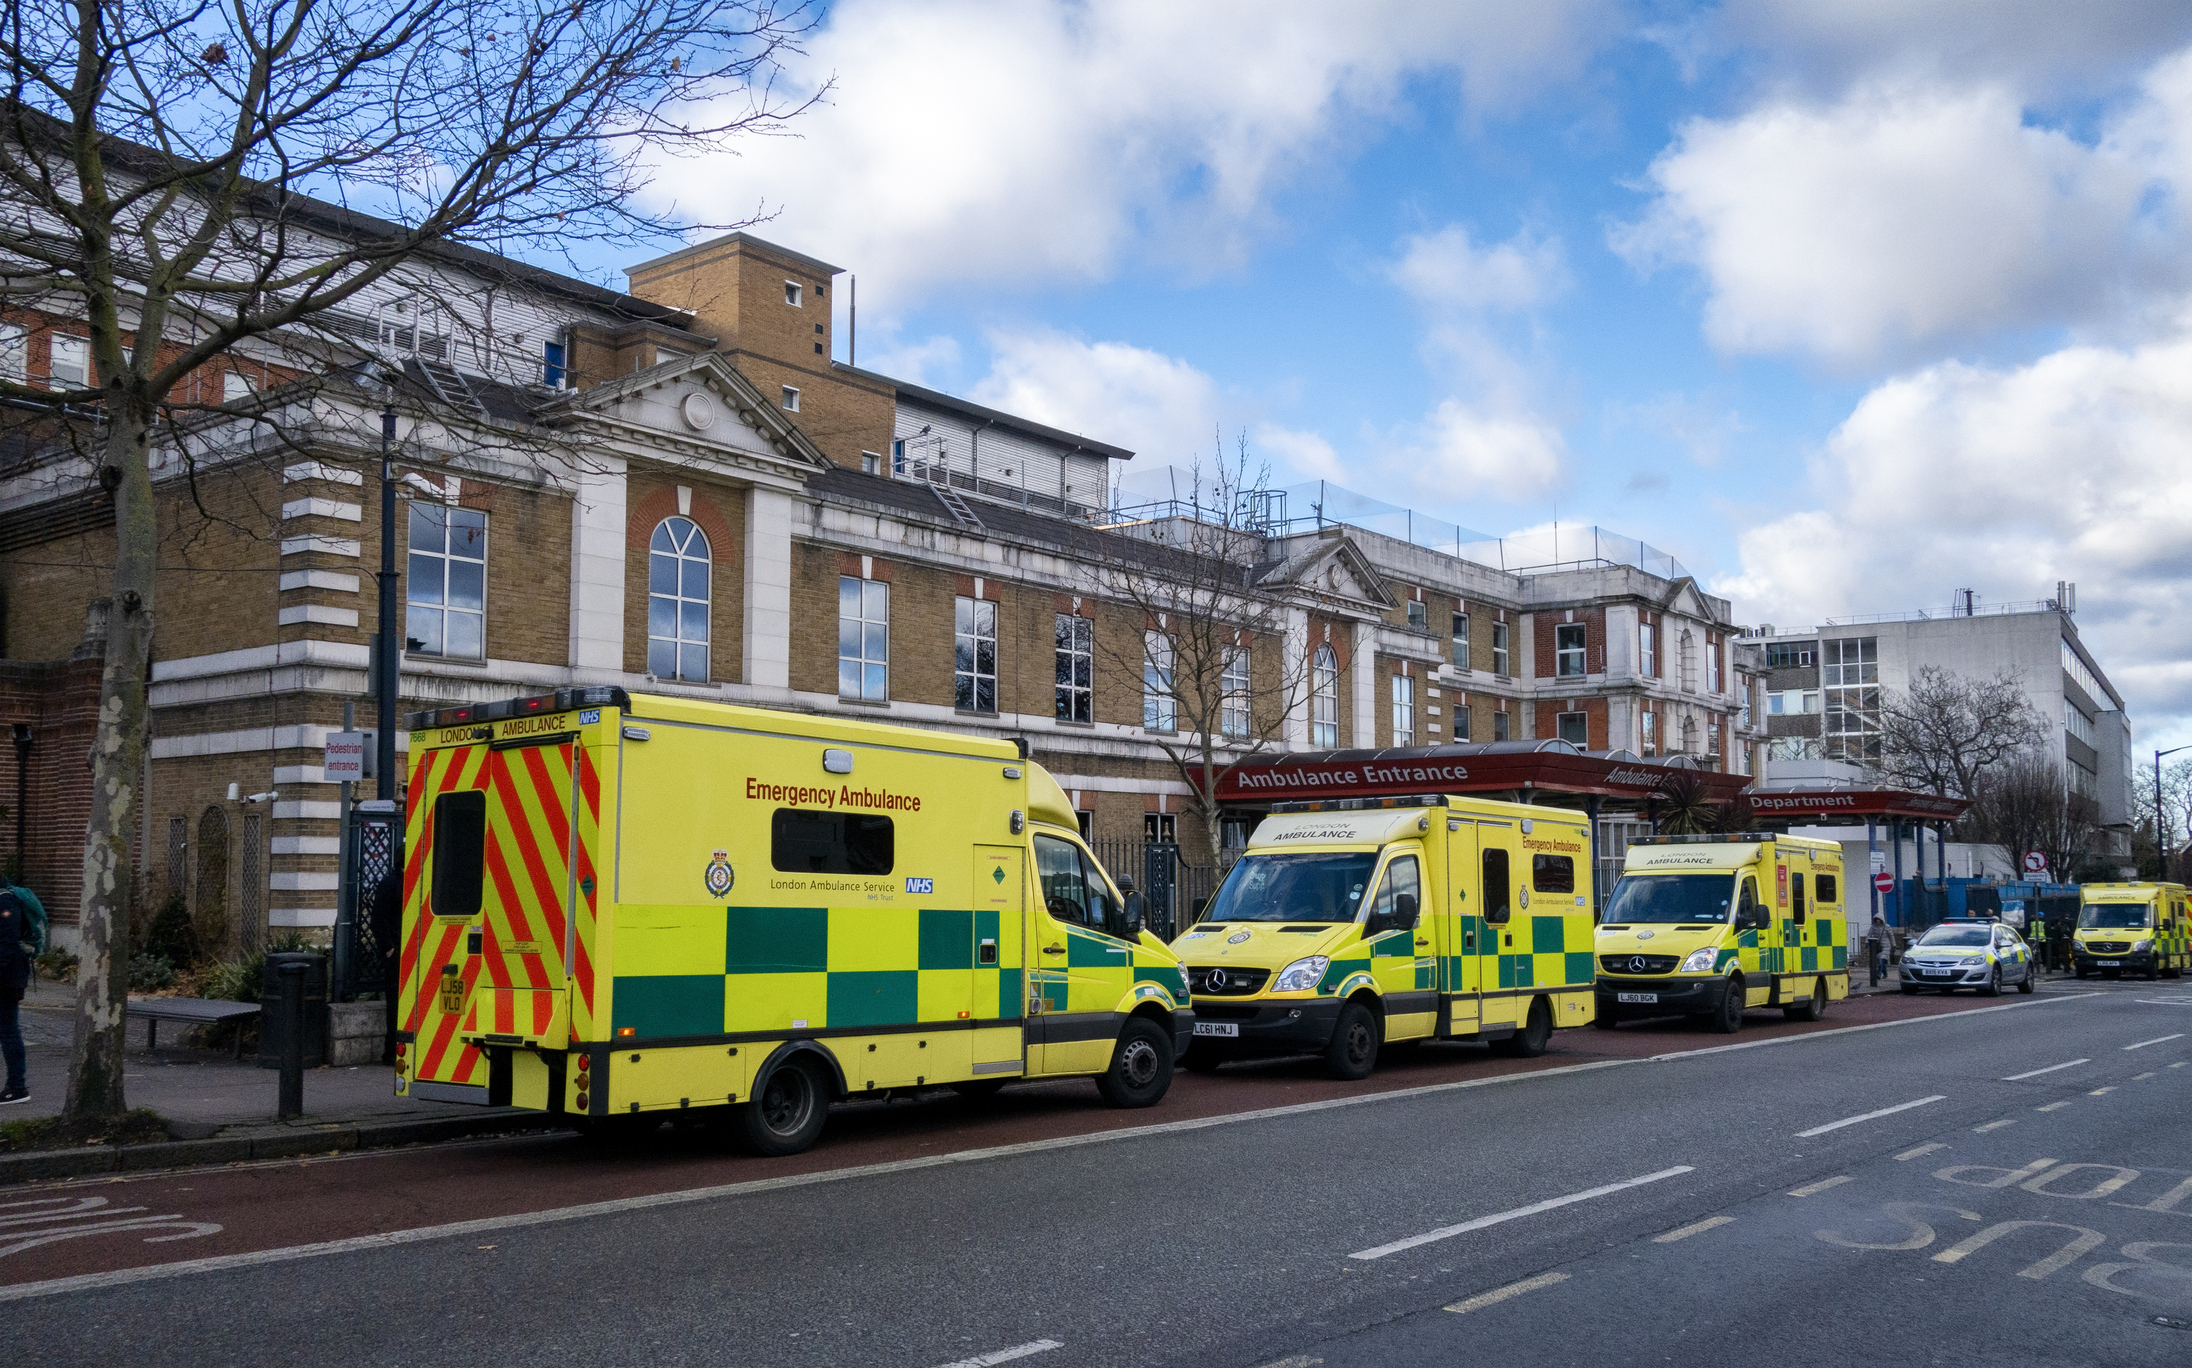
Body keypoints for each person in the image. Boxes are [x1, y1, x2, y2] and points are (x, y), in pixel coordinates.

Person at [0, 877, 41, 1105]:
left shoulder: (5, 901)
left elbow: (6, 944)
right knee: (8, 1031)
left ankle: (17, 1087)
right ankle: (16, 1085)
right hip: (9, 976)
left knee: (8, 1032)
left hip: (7, 979)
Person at [369, 869, 403, 1065]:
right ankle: (390, 1052)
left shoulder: (406, 882)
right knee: (395, 1003)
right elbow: (378, 919)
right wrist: (389, 948)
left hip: (405, 949)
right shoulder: (391, 884)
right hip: (396, 952)